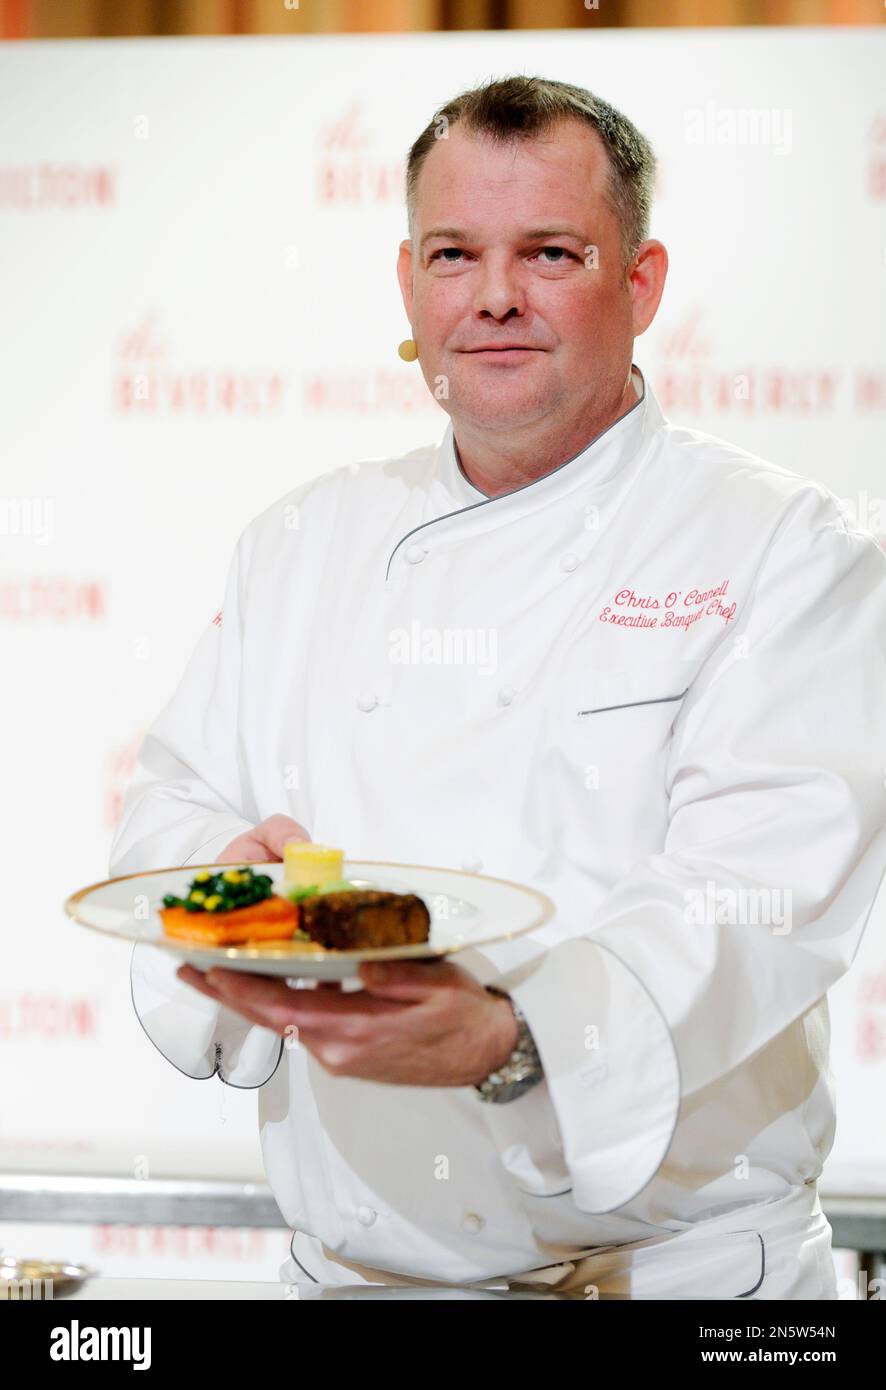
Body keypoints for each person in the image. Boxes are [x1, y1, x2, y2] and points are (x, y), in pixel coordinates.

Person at [109, 75, 886, 1299]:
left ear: (641, 283)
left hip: (665, 1283)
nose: (495, 297)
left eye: (551, 253)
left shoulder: (780, 546)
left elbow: (755, 891)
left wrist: (518, 1040)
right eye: (454, 253)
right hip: (357, 1279)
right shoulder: (299, 542)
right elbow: (177, 800)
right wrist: (229, 880)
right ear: (408, 283)